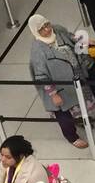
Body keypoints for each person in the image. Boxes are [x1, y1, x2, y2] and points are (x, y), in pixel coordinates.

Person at [27, 15, 91, 149]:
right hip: (55, 87)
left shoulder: (57, 30)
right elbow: (41, 75)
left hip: (72, 78)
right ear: (35, 31)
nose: (47, 29)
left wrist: (86, 41)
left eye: (47, 24)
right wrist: (53, 94)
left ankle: (79, 119)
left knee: (76, 102)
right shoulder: (37, 50)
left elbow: (71, 37)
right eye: (42, 29)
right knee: (62, 112)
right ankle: (72, 137)